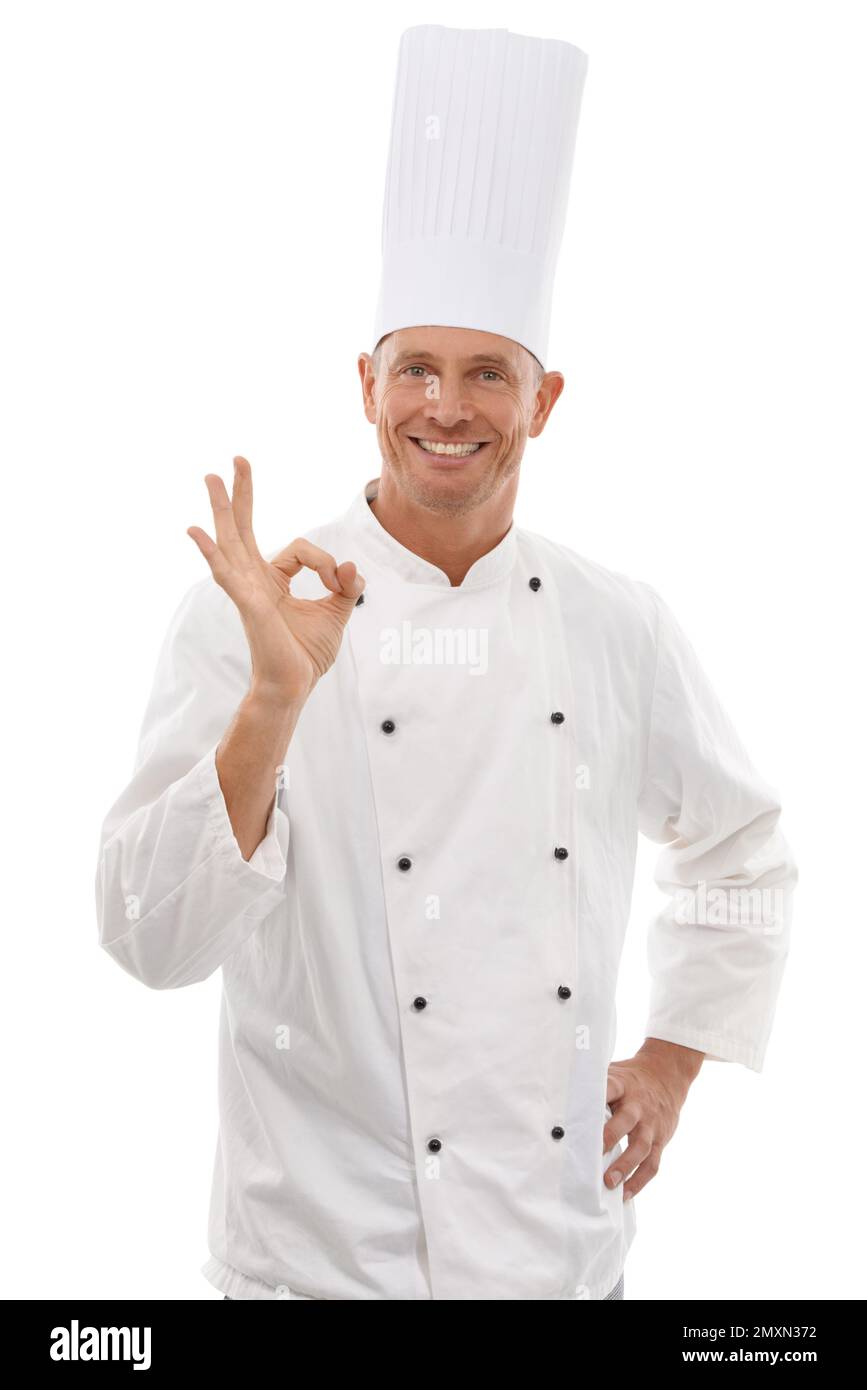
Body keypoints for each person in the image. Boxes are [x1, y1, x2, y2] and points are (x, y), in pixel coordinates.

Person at [95, 25, 796, 1301]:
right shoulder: (258, 611)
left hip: (555, 1261)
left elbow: (743, 845)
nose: (447, 407)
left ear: (547, 399)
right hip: (314, 1267)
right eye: (416, 367)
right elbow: (147, 937)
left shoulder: (613, 622)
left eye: (489, 374)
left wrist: (677, 1056)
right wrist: (272, 698)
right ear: (365, 381)